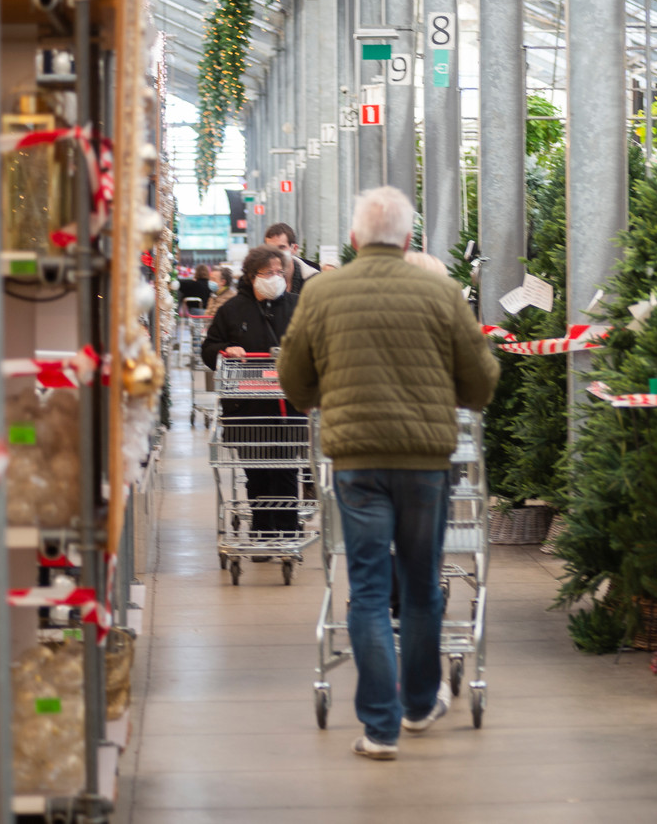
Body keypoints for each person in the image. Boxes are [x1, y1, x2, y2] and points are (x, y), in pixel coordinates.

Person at [277, 186, 499, 762]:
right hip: (427, 463)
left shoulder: (322, 290)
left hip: (356, 462)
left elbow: (294, 377)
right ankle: (422, 705)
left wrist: (322, 398)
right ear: (407, 239)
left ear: (353, 239)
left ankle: (381, 728)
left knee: (370, 592)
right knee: (423, 587)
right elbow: (479, 382)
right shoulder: (440, 290)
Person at [201, 246, 305, 544]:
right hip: (247, 408)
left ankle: (286, 531)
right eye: (267, 273)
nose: (275, 278)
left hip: (290, 407)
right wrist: (226, 350)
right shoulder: (232, 311)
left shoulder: (297, 306)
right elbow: (209, 349)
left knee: (286, 469)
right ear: (251, 276)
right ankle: (262, 531)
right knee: (257, 470)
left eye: (279, 273)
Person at [264, 222, 321, 294]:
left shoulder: (313, 281)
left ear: (294, 248)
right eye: (271, 248)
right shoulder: (260, 281)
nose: (276, 253)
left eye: (281, 247)